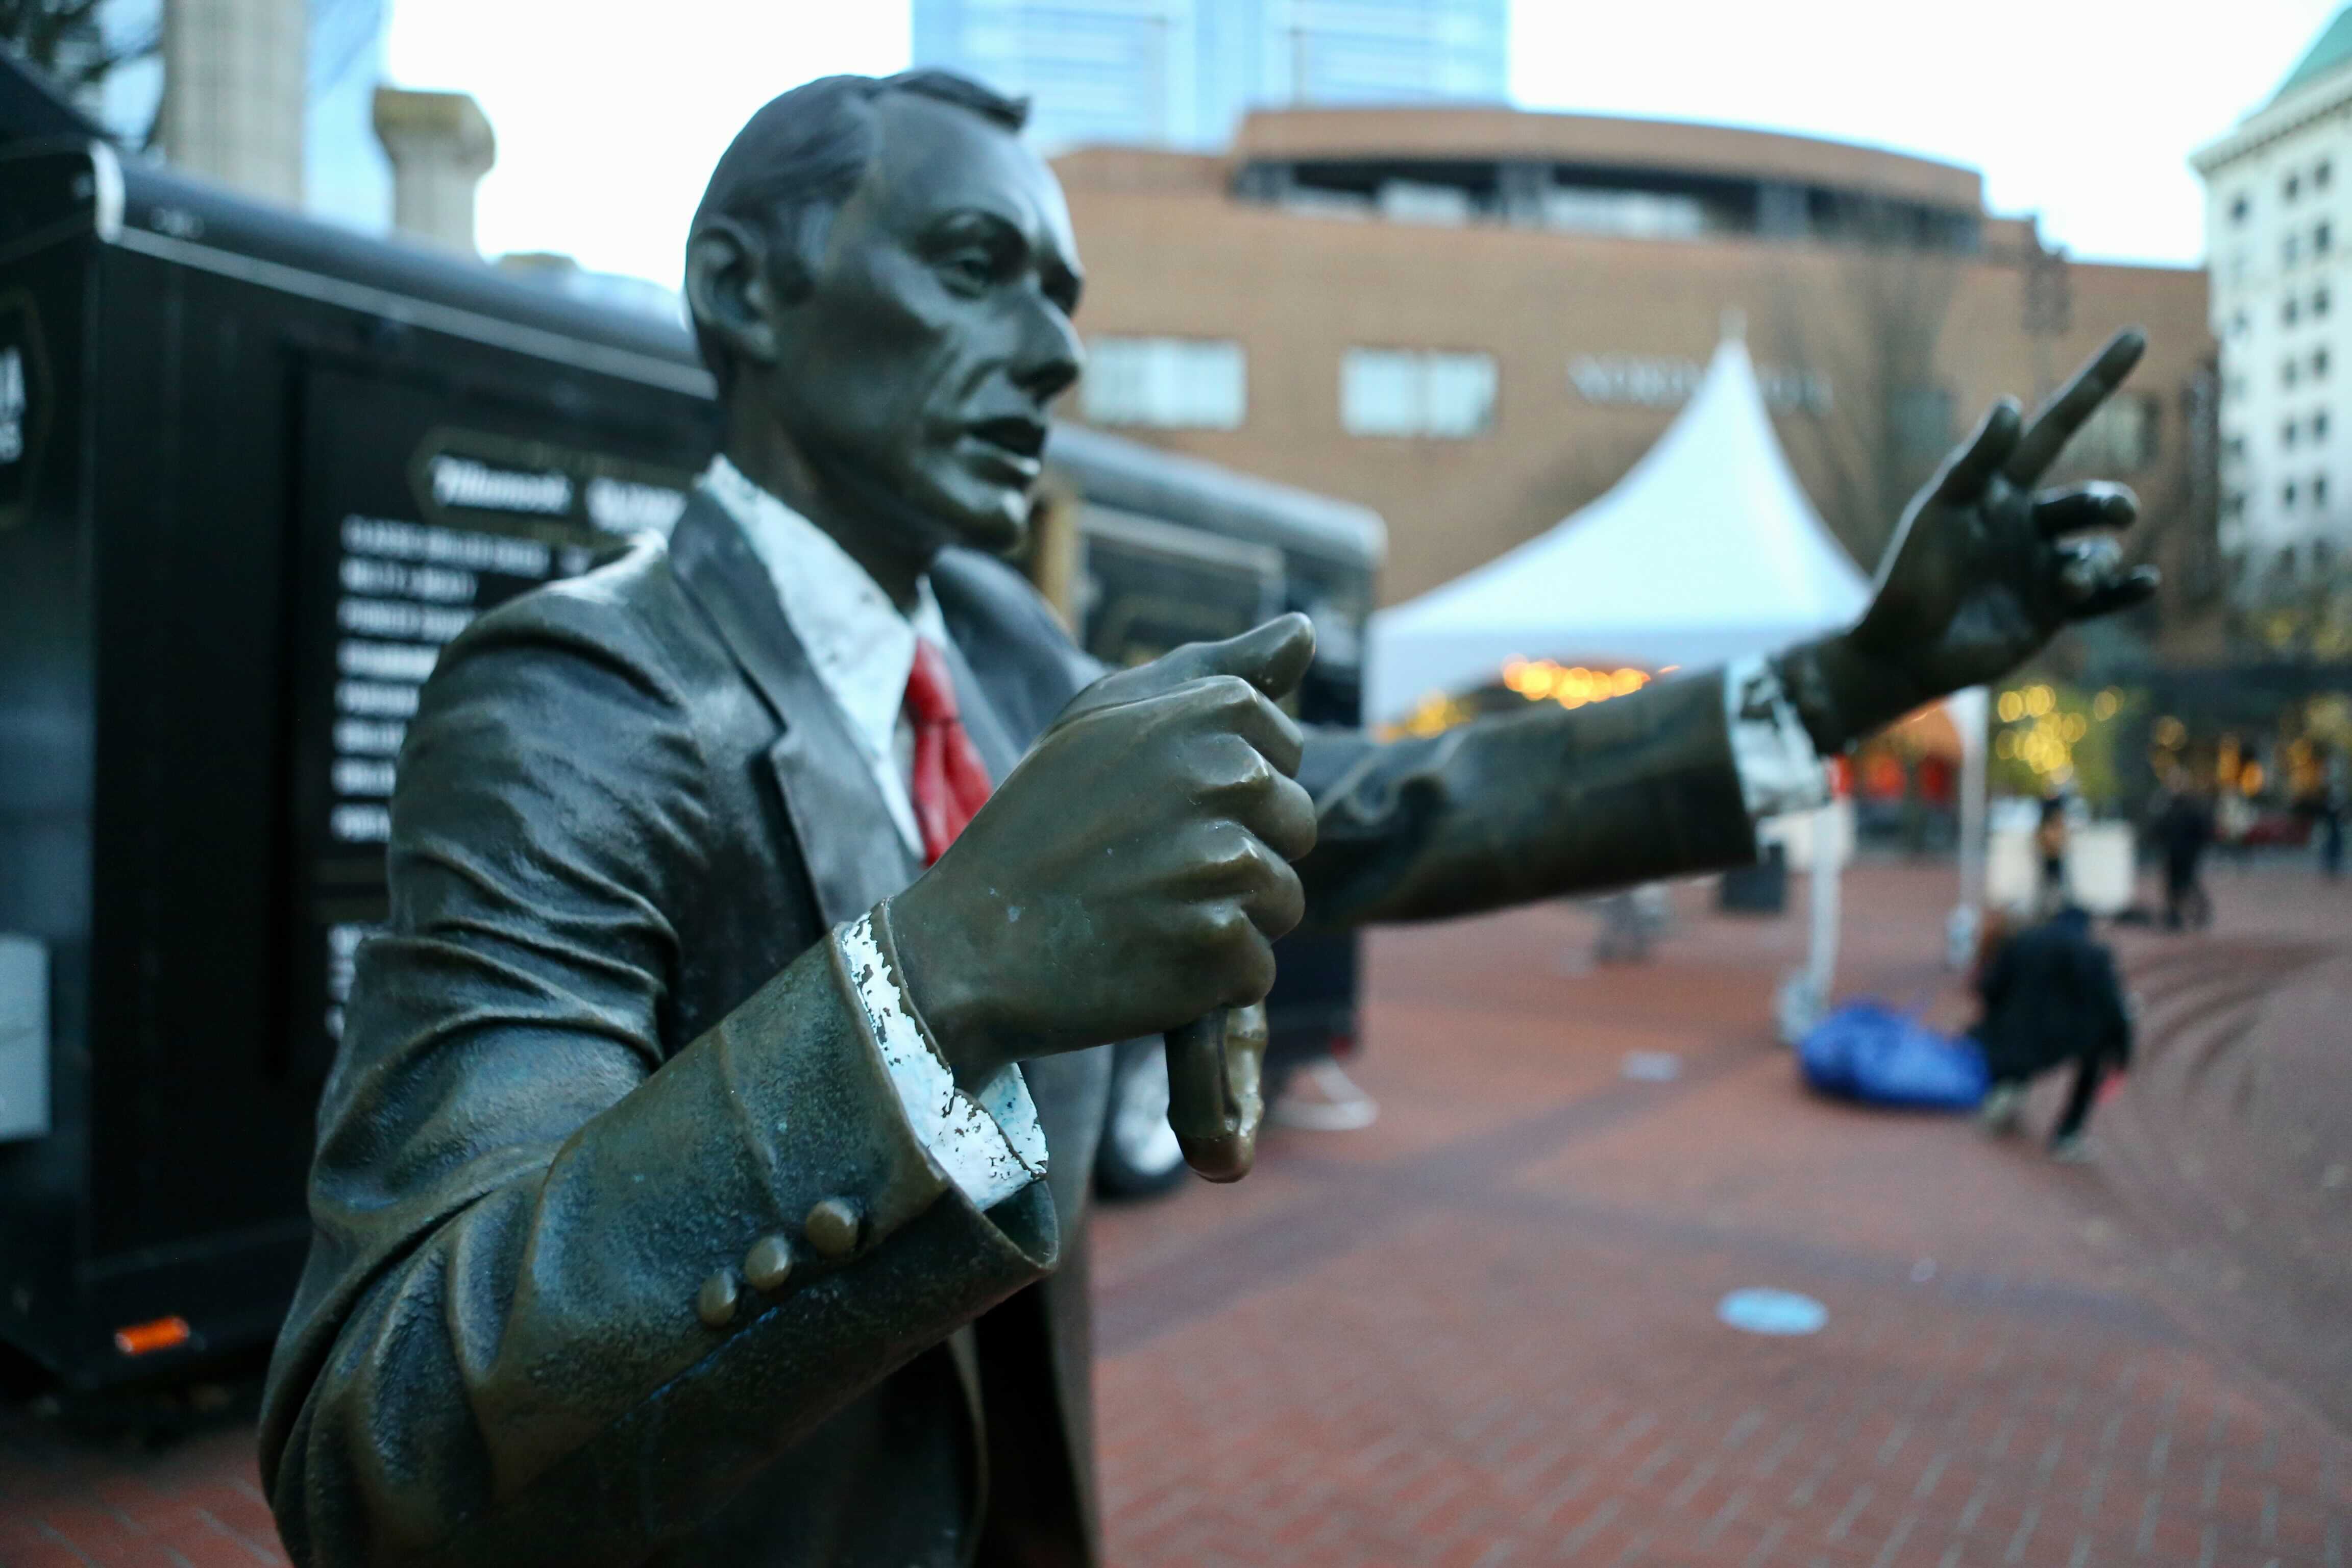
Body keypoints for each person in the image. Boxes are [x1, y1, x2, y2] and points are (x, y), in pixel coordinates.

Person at [257, 70, 2161, 1568]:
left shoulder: (1002, 646)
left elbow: (1404, 804)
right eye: (973, 266)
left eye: (1066, 296)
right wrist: (929, 987)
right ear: (741, 288)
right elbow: (382, 1432)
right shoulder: (583, 700)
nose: (1057, 350)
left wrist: (1842, 680)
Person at [1974, 905, 2135, 1160]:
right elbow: (2113, 1009)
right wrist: (2123, 1056)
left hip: (2012, 1038)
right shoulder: (2093, 954)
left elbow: (1989, 989)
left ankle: (2007, 1087)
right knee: (2096, 1046)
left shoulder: (2022, 942)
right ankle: (2068, 1133)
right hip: (2062, 1039)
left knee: (2015, 1044)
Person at [2150, 768, 2214, 929]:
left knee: (2188, 885)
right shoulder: (2168, 805)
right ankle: (2174, 918)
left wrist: (2195, 848)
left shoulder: (2192, 805)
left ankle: (2200, 914)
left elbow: (2203, 830)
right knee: (2173, 888)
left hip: (2187, 853)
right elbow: (2159, 828)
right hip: (2173, 853)